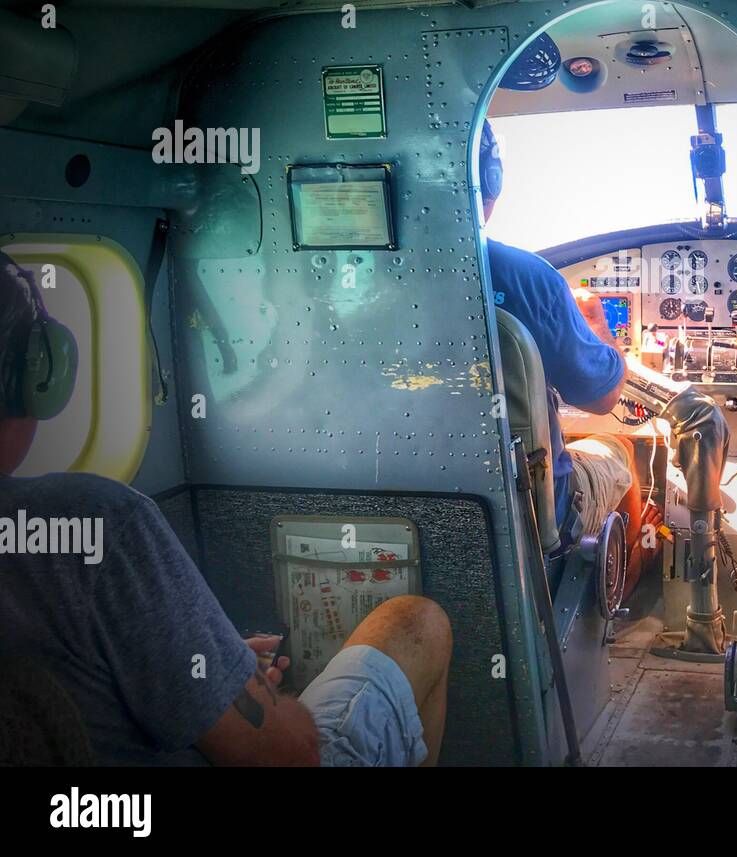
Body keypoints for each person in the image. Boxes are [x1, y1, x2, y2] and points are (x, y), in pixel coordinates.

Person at [0, 252, 451, 766]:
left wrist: (208, 663)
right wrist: (257, 692)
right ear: (36, 375)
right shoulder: (92, 524)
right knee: (417, 624)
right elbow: (289, 756)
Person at [478, 120, 633, 545]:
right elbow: (602, 398)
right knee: (618, 454)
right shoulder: (523, 276)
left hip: (402, 500)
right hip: (529, 514)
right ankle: (619, 596)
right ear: (490, 181)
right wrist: (603, 334)